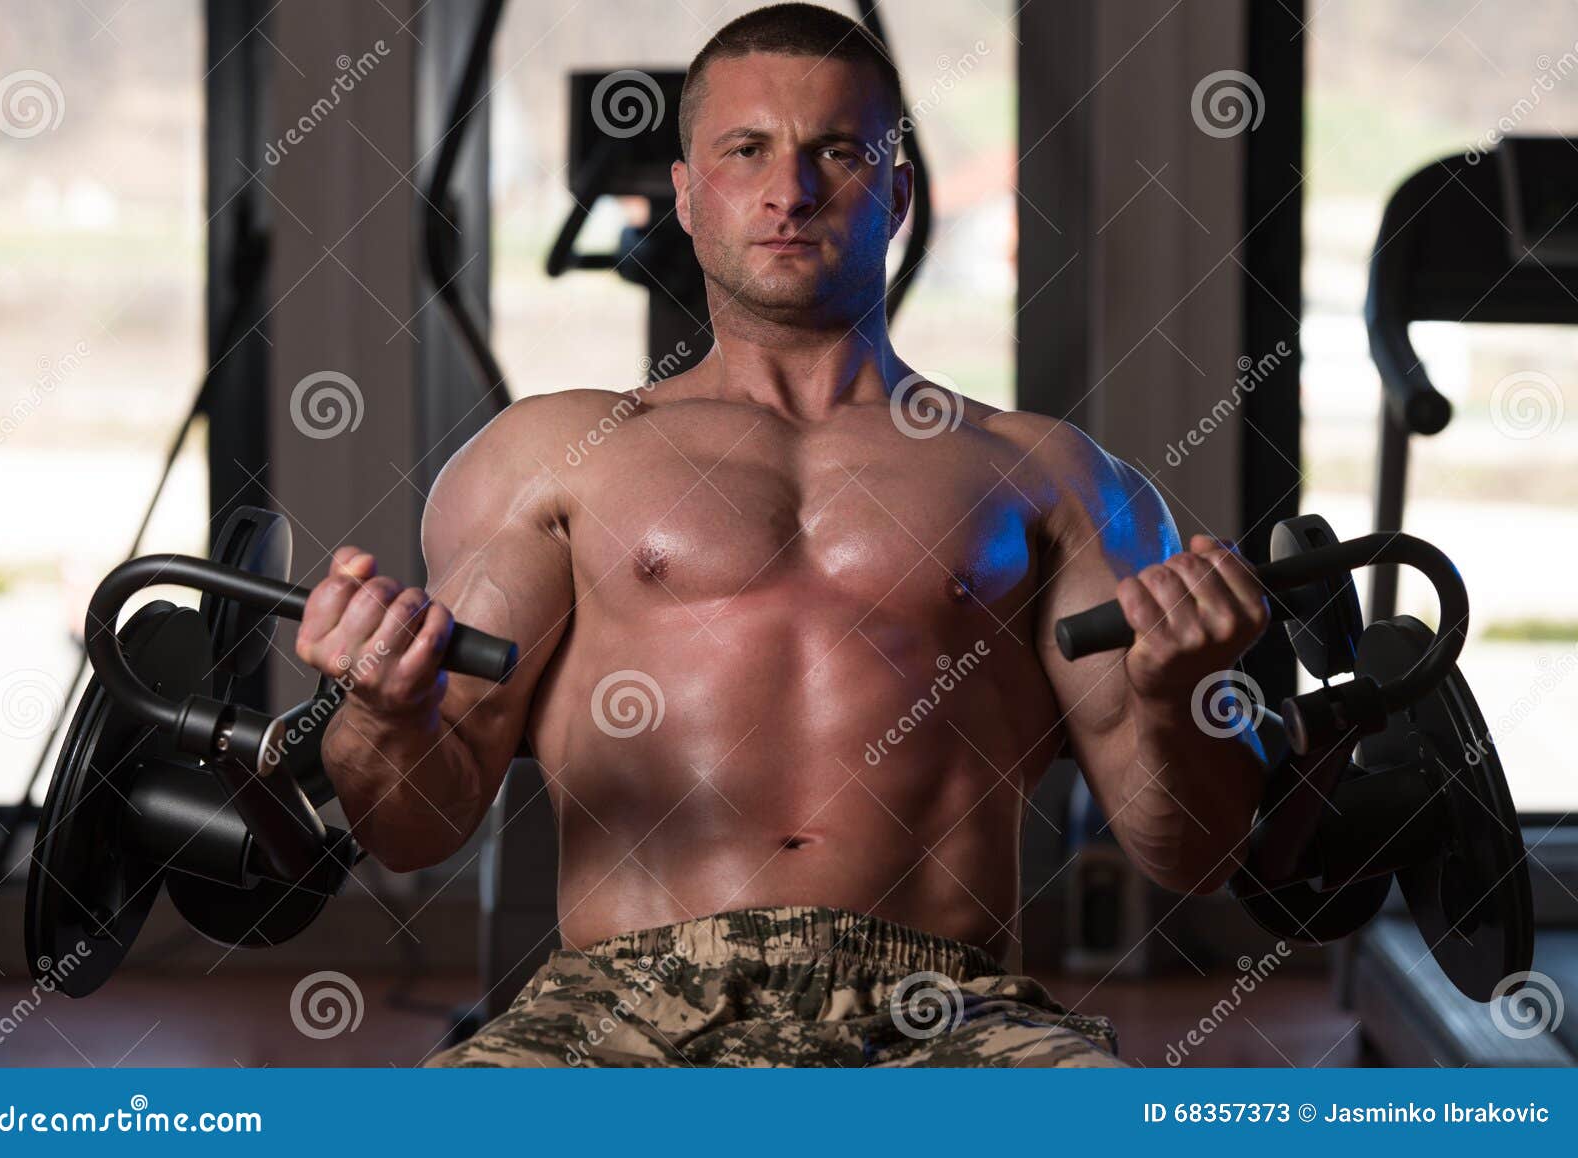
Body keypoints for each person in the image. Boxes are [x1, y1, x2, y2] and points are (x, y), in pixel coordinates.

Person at [296, 2, 1270, 1068]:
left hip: (944, 1016)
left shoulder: (1052, 477)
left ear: (898, 193)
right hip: (616, 1014)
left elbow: (1193, 852)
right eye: (746, 149)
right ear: (685, 191)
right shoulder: (548, 459)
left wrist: (1182, 700)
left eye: (836, 153)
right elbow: (411, 829)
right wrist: (379, 718)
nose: (789, 191)